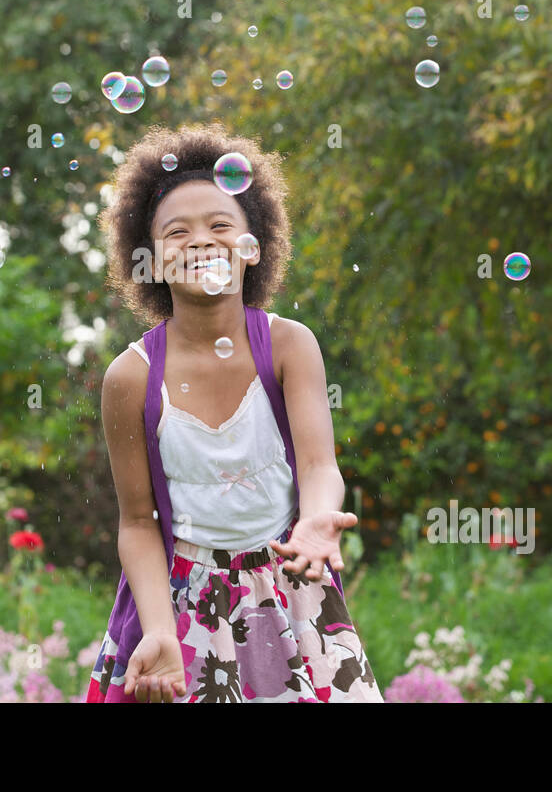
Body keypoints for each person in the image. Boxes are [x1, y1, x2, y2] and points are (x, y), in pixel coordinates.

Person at [84, 123, 383, 703]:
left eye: (221, 224)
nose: (201, 239)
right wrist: (158, 629)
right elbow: (138, 522)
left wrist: (317, 520)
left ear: (253, 246)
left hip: (289, 592)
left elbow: (320, 465)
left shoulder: (290, 345)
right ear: (149, 259)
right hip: (179, 605)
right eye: (178, 231)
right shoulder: (131, 376)